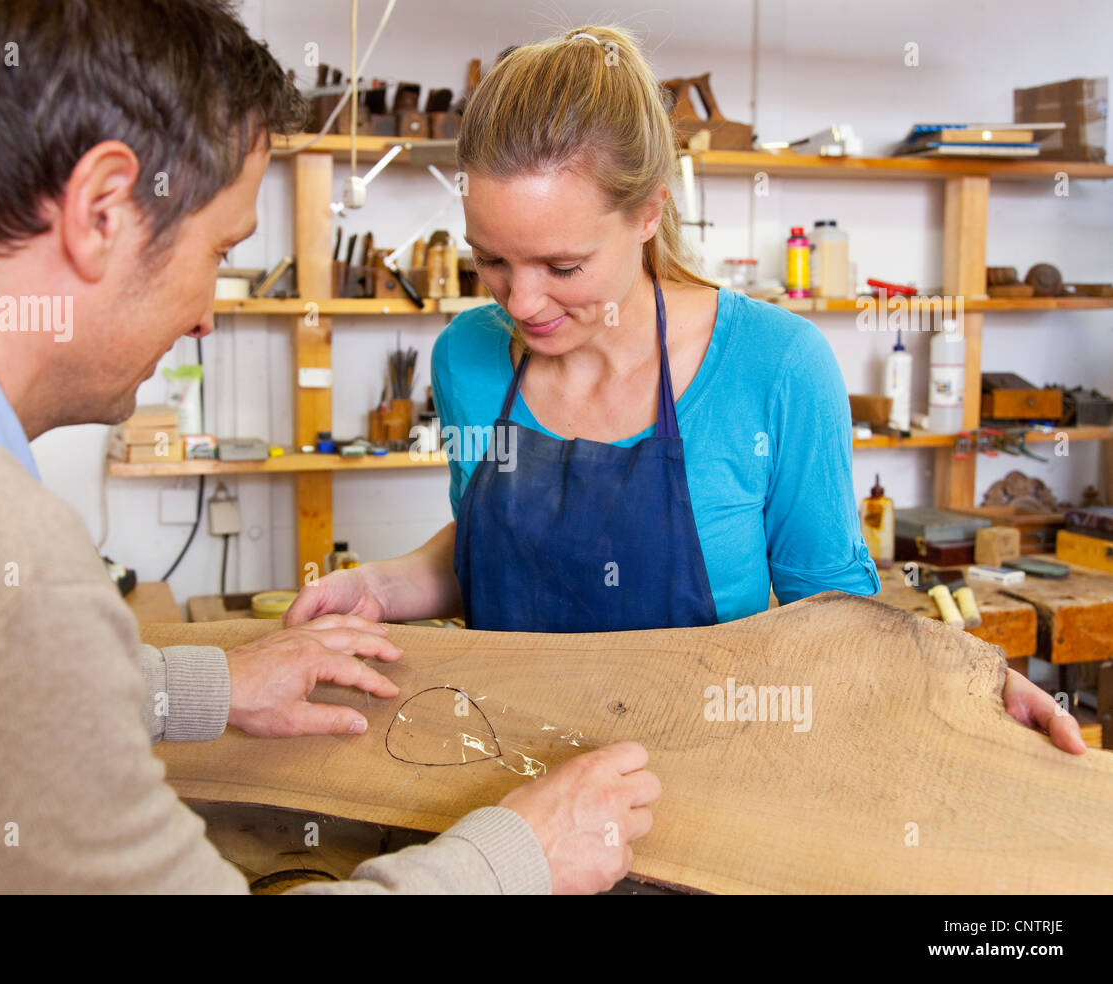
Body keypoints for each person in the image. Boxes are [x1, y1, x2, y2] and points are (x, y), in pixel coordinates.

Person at [0, 0, 661, 894]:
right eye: (220, 250)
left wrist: (193, 687)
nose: (207, 317)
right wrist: (517, 856)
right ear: (101, 209)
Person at [287, 26, 1086, 756]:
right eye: (491, 260)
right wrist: (379, 587)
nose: (520, 303)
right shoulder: (468, 357)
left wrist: (956, 679)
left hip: (707, 784)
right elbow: (486, 550)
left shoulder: (776, 367)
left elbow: (840, 624)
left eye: (562, 268)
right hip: (501, 775)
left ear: (648, 214)